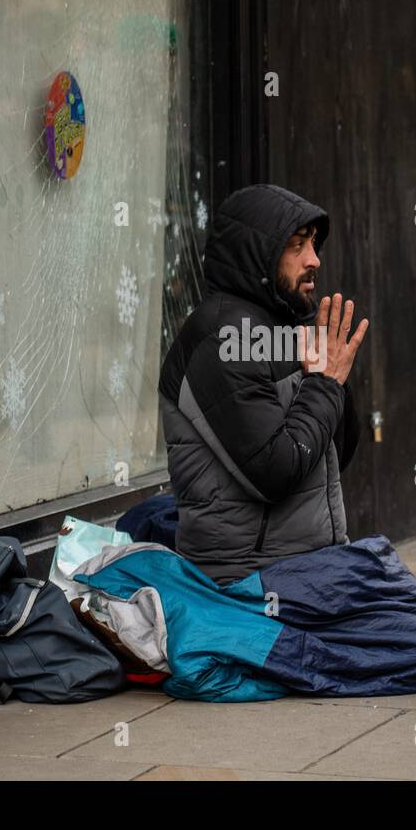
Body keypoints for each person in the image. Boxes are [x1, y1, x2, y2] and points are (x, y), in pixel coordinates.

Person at [157, 184, 368, 584]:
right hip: (249, 580)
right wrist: (324, 383)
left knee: (413, 618)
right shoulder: (222, 338)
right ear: (259, 256)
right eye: (296, 246)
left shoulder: (283, 326)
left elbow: (335, 453)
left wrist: (334, 377)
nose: (314, 260)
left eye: (314, 245)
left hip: (308, 563)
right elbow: (275, 473)